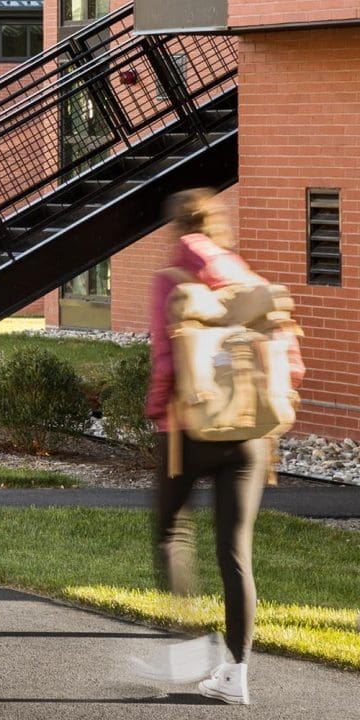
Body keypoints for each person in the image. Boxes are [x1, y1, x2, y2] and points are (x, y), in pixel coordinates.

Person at [133, 188, 301, 707]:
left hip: (189, 432)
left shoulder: (172, 280)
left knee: (170, 531)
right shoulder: (247, 280)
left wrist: (158, 410)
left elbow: (166, 361)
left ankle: (190, 643)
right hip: (250, 435)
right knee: (235, 554)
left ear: (176, 228)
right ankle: (236, 673)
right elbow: (289, 358)